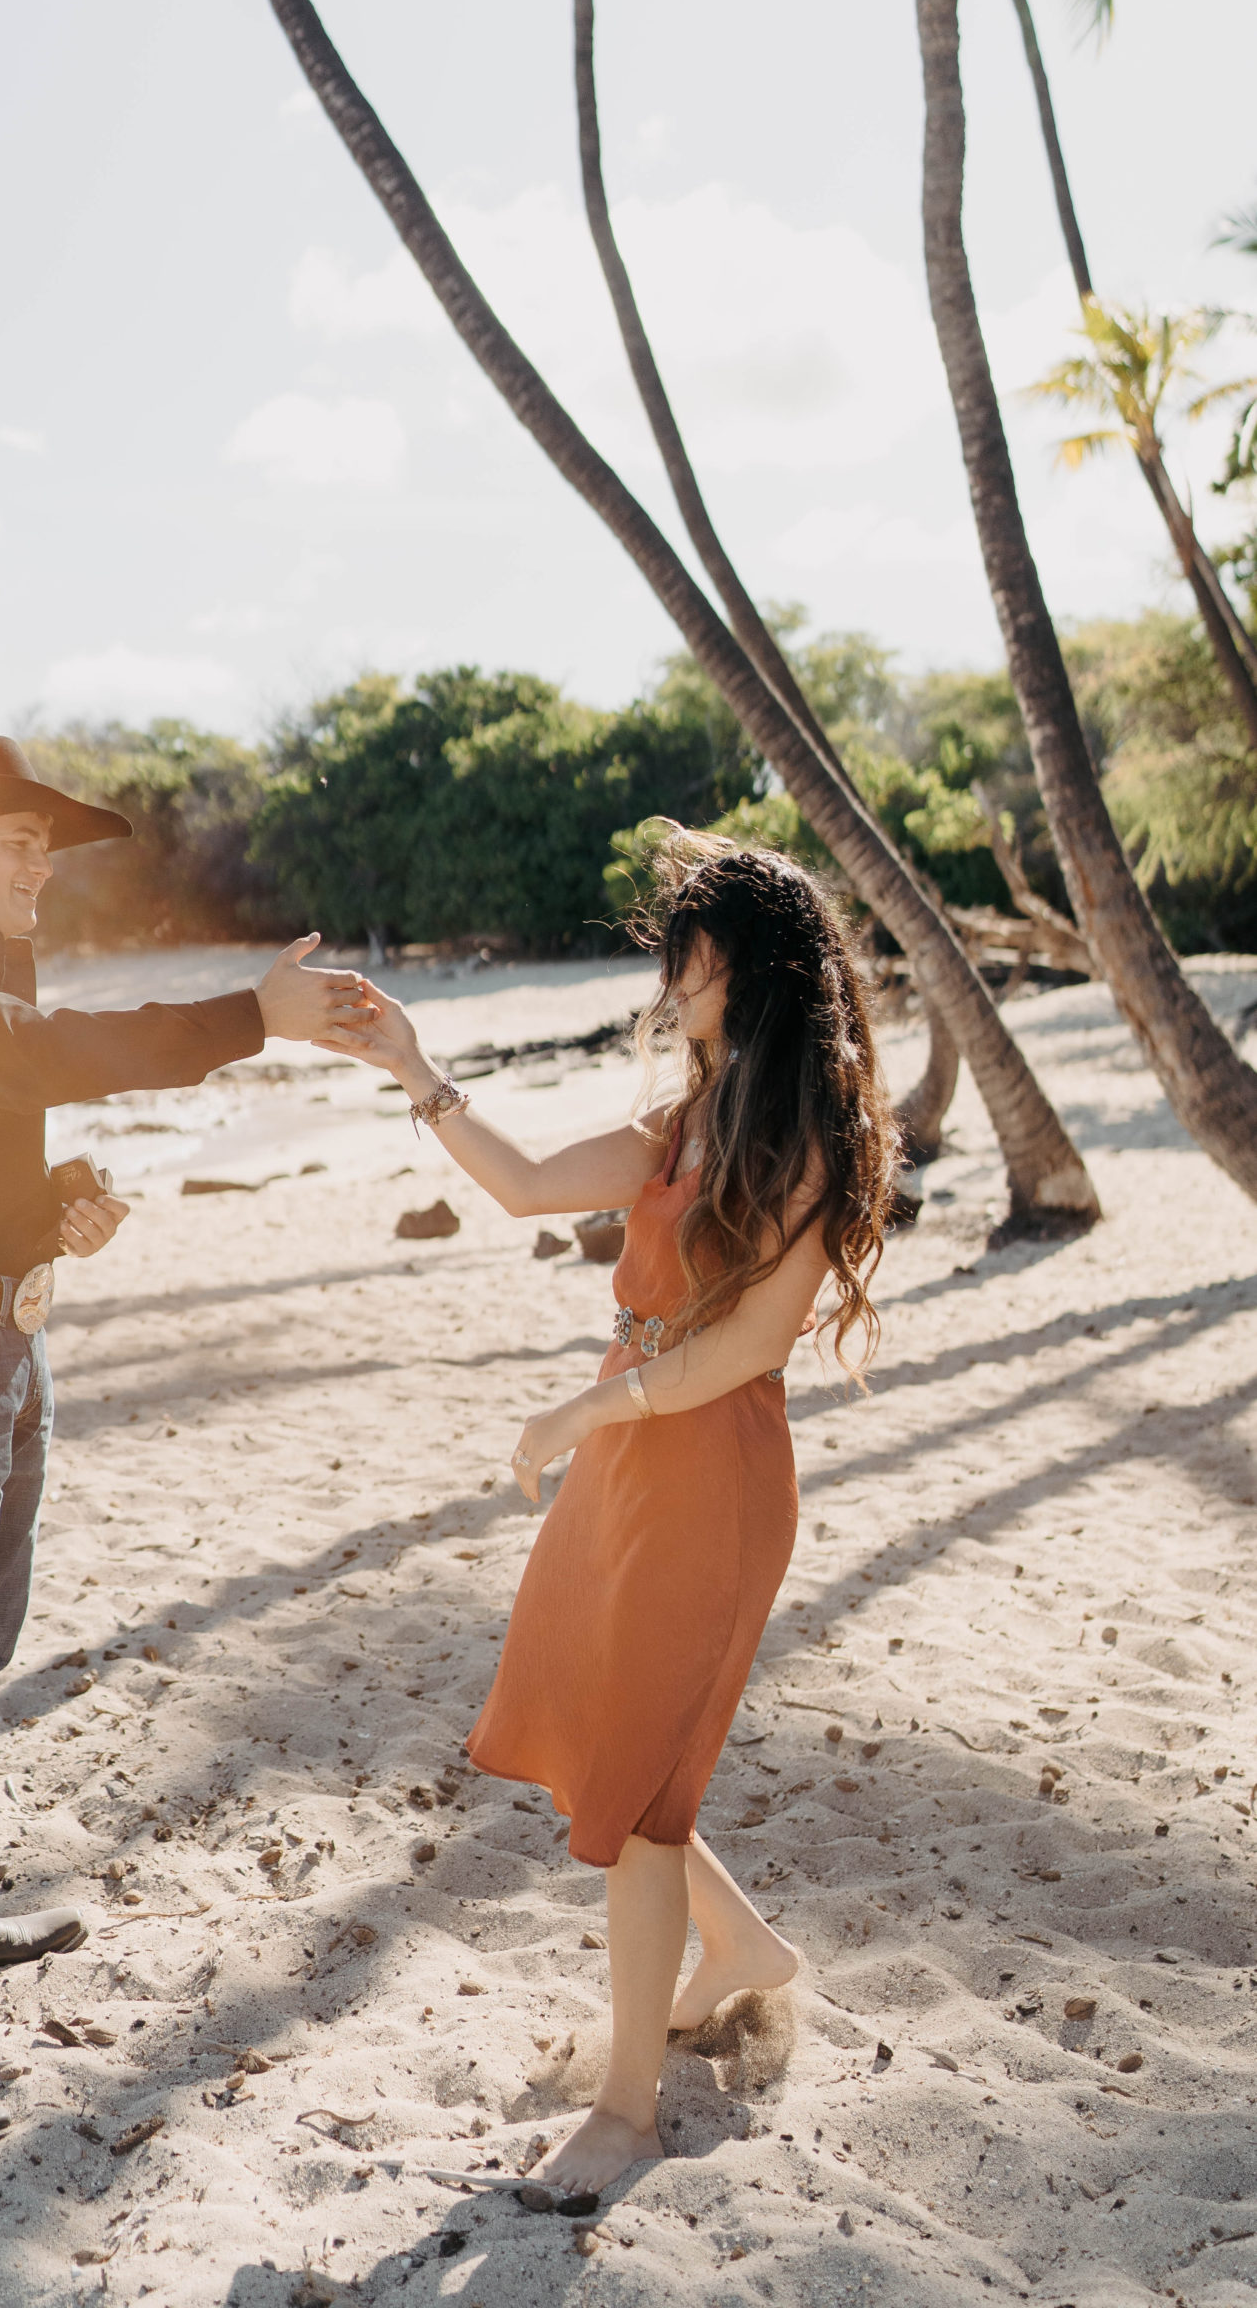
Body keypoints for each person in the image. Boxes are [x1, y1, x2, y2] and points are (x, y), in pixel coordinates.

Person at [320, 827, 895, 2195]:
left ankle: (627, 2116)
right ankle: (740, 1946)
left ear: (750, 970)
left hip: (709, 1473)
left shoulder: (807, 1138)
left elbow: (750, 1346)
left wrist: (586, 1411)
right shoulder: (687, 1126)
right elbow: (524, 1182)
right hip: (633, 1464)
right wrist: (412, 1066)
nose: (669, 981)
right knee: (606, 1743)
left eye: (690, 958)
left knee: (638, 1795)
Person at [0, 734, 373, 2149]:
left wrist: (54, 1198)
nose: (41, 867)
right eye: (18, 842)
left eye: (46, 848)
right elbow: (35, 1059)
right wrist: (250, 1015)